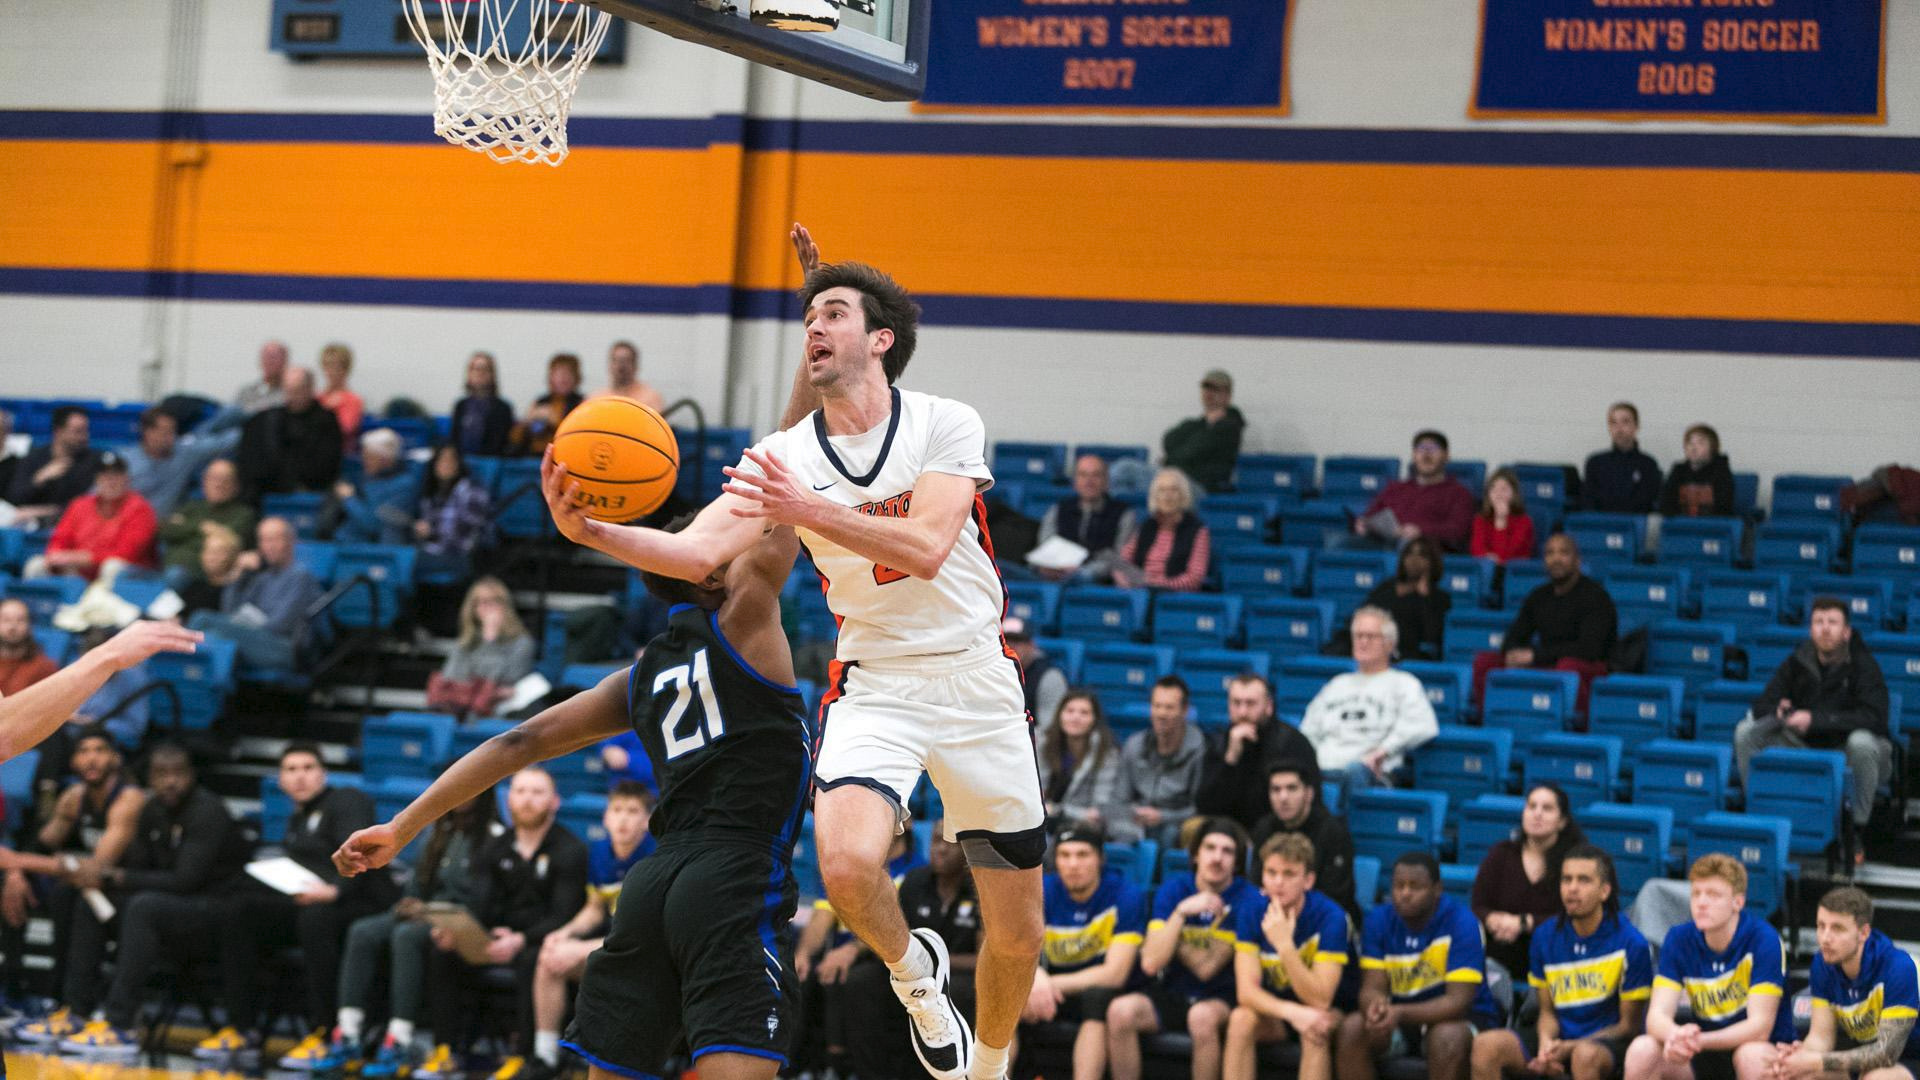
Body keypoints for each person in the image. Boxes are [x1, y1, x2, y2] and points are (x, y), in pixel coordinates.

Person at [538, 230, 1044, 1080]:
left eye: (834, 313)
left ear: (881, 340)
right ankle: (916, 979)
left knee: (1019, 935)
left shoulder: (945, 421)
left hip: (976, 681)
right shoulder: (784, 457)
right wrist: (590, 532)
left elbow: (926, 546)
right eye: (808, 316)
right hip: (877, 682)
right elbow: (697, 552)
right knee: (844, 866)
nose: (814, 326)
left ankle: (989, 1065)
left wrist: (808, 508)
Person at [334, 506, 810, 1080]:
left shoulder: (639, 677)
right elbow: (786, 490)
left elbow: (517, 741)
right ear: (707, 571)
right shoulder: (747, 617)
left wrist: (402, 826)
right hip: (733, 873)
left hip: (651, 888)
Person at [193, 744, 396, 1065]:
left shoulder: (346, 800)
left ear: (323, 773)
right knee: (240, 910)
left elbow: (362, 853)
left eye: (308, 767)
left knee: (315, 918)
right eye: (291, 769)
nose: (300, 776)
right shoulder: (297, 819)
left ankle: (327, 1033)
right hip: (314, 903)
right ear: (281, 781)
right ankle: (242, 1028)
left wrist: (335, 891)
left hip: (362, 901)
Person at [53, 742, 252, 1058]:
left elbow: (185, 881)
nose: (170, 781)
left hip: (216, 911)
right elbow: (139, 867)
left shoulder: (208, 811)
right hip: (167, 908)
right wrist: (106, 878)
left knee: (144, 906)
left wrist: (116, 876)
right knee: (93, 902)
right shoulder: (152, 810)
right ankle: (76, 1011)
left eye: (178, 773)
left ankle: (121, 1024)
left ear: (191, 775)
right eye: (161, 774)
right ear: (150, 779)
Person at [420, 768, 589, 1080]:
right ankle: (447, 1049)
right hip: (497, 938)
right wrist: (463, 932)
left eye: (537, 792)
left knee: (533, 959)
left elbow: (563, 915)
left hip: (542, 939)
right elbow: (480, 903)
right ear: (508, 799)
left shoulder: (570, 849)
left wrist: (520, 938)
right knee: (444, 952)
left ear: (554, 801)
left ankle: (524, 1056)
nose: (527, 800)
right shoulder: (495, 847)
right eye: (520, 791)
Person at [334, 791, 502, 1078]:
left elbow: (484, 902)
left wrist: (427, 912)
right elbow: (416, 887)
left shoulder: (493, 836)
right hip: (424, 911)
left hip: (458, 919)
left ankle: (399, 1039)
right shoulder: (437, 831)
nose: (461, 793)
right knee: (362, 930)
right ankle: (348, 1033)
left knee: (406, 935)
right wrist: (408, 903)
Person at [4, 726, 147, 1048]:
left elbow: (96, 870)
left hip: (133, 890)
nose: (91, 759)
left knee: (76, 898)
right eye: (83, 751)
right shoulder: (73, 797)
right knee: (24, 888)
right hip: (93, 892)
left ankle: (79, 1007)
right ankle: (18, 994)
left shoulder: (128, 799)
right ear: (72, 762)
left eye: (99, 750)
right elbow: (41, 846)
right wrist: (15, 871)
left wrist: (16, 860)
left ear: (115, 758)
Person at [1470, 846, 1651, 1080]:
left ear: (1604, 891)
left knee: (1584, 1056)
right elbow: (1547, 1012)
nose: (1572, 888)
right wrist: (1546, 1046)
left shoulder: (1631, 943)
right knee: (1486, 1046)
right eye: (1567, 879)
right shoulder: (1545, 936)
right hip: (1559, 1039)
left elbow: (1628, 1027)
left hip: (1604, 1044)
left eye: (1583, 880)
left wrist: (1572, 1047)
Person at [1106, 819, 1261, 1080]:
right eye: (1210, 848)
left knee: (1201, 1017)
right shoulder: (1174, 891)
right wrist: (1180, 913)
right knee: (1120, 1012)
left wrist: (1172, 938)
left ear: (1237, 862)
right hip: (1174, 991)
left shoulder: (1249, 899)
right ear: (1195, 855)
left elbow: (1207, 968)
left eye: (1227, 851)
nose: (1217, 858)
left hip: (1223, 997)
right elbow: (1151, 962)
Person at [525, 783, 655, 1080]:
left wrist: (580, 949)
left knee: (573, 957)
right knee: (548, 958)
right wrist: (565, 933)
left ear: (647, 820)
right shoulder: (599, 853)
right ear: (606, 817)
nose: (623, 819)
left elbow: (643, 932)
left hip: (646, 953)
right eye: (617, 810)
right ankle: (546, 1057)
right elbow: (595, 908)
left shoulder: (655, 856)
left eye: (632, 811)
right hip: (614, 947)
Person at [1621, 855, 1791, 1080]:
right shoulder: (1678, 938)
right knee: (1643, 1050)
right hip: (1702, 1053)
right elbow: (1656, 1017)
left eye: (1713, 895)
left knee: (1751, 1056)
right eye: (1696, 894)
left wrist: (1699, 1040)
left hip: (1758, 1047)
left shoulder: (1764, 940)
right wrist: (1675, 1035)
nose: (1701, 903)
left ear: (1738, 902)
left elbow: (1759, 1028)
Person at [1733, 598, 1889, 839]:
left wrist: (1815, 720)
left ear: (1846, 632)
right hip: (1804, 744)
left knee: (1862, 742)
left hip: (1846, 750)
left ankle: (1855, 829)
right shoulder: (1797, 661)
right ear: (1810, 629)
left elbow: (1875, 718)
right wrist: (1777, 710)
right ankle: (1759, 811)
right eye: (1818, 622)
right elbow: (1761, 705)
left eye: (1832, 622)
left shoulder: (1864, 665)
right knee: (1747, 732)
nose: (1825, 629)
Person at [1338, 852, 1502, 1080]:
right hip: (1401, 1018)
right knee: (1353, 1028)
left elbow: (1458, 1002)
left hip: (1461, 1018)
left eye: (1415, 887)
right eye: (1399, 886)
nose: (1405, 893)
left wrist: (1399, 1013)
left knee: (1446, 1037)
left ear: (1437, 889)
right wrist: (1375, 1008)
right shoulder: (1378, 919)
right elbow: (1372, 986)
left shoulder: (1462, 922)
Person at [846, 826, 983, 1080]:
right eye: (935, 841)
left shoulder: (980, 889)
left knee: (961, 993)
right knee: (862, 981)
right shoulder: (915, 881)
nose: (940, 849)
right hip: (913, 968)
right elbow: (893, 936)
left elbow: (984, 957)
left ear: (968, 851)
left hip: (960, 975)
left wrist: (938, 961)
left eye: (949, 843)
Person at [1224, 834, 1351, 1080]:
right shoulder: (1252, 910)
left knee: (1316, 1027)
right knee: (1240, 1019)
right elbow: (1246, 992)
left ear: (1308, 880)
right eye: (1271, 872)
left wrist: (1284, 946)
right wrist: (1293, 1013)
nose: (1278, 882)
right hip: (1281, 1011)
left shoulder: (1331, 917)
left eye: (1289, 874)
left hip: (1334, 1009)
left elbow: (1321, 999)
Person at [1024, 822, 1145, 1080]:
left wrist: (1045, 983)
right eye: (1065, 855)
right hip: (1054, 993)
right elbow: (1015, 949)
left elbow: (1114, 974)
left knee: (1096, 999)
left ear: (1100, 859)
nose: (1073, 864)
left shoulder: (1126, 895)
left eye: (1082, 855)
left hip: (1101, 992)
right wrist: (1035, 977)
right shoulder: (1040, 890)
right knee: (1006, 999)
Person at [0, 620, 201, 764]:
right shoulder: (79, 666)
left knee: (93, 745)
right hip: (69, 736)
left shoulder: (133, 676)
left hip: (110, 739)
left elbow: (134, 728)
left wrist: (94, 723)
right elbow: (6, 733)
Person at [1767, 887, 1917, 1080]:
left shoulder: (1898, 967)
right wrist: (1799, 1056)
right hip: (1858, 1058)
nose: (1825, 938)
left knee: (1877, 1077)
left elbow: (1886, 1054)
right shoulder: (1822, 964)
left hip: (1908, 1059)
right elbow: (1821, 1038)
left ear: (1863, 933)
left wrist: (1815, 1061)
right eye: (1821, 926)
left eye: (1837, 928)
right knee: (1793, 1072)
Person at [1473, 533, 1617, 715]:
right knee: (1485, 661)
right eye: (1550, 553)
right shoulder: (1538, 596)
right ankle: (1489, 718)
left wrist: (1535, 655)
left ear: (1577, 561)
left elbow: (1589, 649)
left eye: (1564, 553)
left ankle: (1572, 724)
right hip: (1547, 662)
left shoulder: (1596, 597)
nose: (1556, 559)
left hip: (1585, 667)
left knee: (1568, 667)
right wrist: (1513, 654)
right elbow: (1514, 636)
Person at [1299, 607, 1439, 792]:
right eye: (1358, 636)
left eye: (1371, 636)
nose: (1363, 642)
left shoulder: (1404, 684)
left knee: (1355, 771)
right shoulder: (1336, 684)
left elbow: (1425, 726)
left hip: (1369, 774)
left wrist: (1384, 750)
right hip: (1323, 771)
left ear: (1390, 644)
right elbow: (1308, 731)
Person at [1471, 784, 1584, 980]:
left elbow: (1577, 917)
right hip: (1500, 950)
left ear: (1562, 821)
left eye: (1547, 808)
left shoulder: (1575, 861)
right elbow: (1478, 906)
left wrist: (1526, 923)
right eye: (1532, 806)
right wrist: (1492, 919)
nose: (1537, 814)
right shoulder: (1501, 854)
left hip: (1556, 958)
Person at [187, 516, 322, 671]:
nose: (268, 546)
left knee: (203, 620)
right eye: (263, 540)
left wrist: (243, 625)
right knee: (211, 634)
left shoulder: (301, 577)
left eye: (273, 540)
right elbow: (230, 611)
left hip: (284, 648)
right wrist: (238, 573)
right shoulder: (264, 578)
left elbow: (279, 626)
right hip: (257, 639)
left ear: (290, 541)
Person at [1195, 673, 1318, 833]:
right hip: (1229, 834)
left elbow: (1308, 804)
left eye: (1250, 703)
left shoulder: (1292, 744)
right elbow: (1205, 806)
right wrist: (1230, 760)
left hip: (1279, 831)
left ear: (1269, 706)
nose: (1242, 712)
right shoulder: (1219, 743)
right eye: (1236, 703)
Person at [24, 451, 159, 582]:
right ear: (96, 480)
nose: (111, 481)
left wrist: (87, 558)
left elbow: (127, 554)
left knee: (112, 566)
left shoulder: (140, 508)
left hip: (130, 576)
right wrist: (60, 557)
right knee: (36, 565)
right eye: (105, 476)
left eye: (116, 475)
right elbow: (59, 541)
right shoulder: (80, 505)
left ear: (126, 479)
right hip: (79, 570)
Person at [1249, 761, 1356, 919]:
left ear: (1309, 793)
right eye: (1276, 789)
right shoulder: (1263, 828)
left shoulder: (1333, 832)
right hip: (1270, 914)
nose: (1283, 797)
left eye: (1292, 788)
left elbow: (1337, 894)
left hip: (1321, 919)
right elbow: (1255, 884)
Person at [1350, 431, 1477, 553]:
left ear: (1447, 456)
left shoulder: (1459, 493)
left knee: (1410, 545)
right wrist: (1363, 523)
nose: (1426, 455)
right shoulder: (1395, 488)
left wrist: (1420, 531)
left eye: (1433, 449)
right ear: (1413, 455)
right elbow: (1371, 515)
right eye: (1421, 449)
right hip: (1382, 542)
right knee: (1342, 542)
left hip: (1426, 549)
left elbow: (1458, 530)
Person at [429, 576, 537, 719]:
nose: (486, 608)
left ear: (505, 606)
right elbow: (452, 677)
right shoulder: (464, 643)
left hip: (503, 711)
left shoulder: (522, 642)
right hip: (461, 707)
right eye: (479, 602)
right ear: (472, 608)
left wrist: (490, 640)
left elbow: (509, 679)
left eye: (493, 602)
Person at [1119, 675, 1206, 849]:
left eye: (1169, 707)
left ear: (1185, 710)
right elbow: (1120, 797)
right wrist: (1133, 812)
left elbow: (1200, 808)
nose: (1161, 714)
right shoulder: (1134, 745)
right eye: (1157, 706)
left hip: (1176, 822)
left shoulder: (1201, 750)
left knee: (1169, 833)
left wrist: (1163, 816)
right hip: (1137, 819)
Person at [237, 366, 345, 499]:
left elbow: (326, 464)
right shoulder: (267, 419)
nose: (292, 396)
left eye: (297, 390)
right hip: (268, 485)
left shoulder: (326, 421)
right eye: (288, 390)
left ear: (310, 389)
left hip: (310, 486)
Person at [1033, 454, 1138, 583]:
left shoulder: (1124, 514)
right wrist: (1049, 565)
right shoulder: (1058, 509)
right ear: (1075, 482)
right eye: (1083, 475)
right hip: (1056, 579)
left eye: (1096, 475)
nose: (1089, 481)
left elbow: (1121, 559)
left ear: (1106, 481)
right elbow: (1045, 548)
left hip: (1101, 584)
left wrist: (1082, 573)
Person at [123, 406, 240, 520]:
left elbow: (224, 443)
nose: (169, 437)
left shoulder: (184, 453)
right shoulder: (125, 461)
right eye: (163, 431)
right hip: (130, 525)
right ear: (147, 432)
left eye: (172, 431)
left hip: (169, 527)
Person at [159, 458, 258, 589]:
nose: (218, 484)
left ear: (236, 486)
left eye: (225, 480)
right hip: (170, 569)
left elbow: (227, 541)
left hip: (205, 577)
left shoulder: (244, 514)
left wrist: (185, 529)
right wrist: (201, 527)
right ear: (204, 482)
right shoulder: (191, 507)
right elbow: (165, 531)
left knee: (173, 577)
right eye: (214, 478)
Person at [1038, 691, 1127, 835]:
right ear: (1059, 714)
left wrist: (1057, 811)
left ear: (1094, 719)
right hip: (1043, 823)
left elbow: (1098, 811)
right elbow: (1036, 796)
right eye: (1070, 711)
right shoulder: (1043, 743)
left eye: (1084, 713)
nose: (1075, 717)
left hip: (1083, 828)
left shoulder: (1107, 754)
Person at [1114, 466, 1211, 592]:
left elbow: (1194, 579)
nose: (1167, 496)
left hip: (1174, 598)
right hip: (1140, 593)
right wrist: (1125, 582)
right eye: (1162, 490)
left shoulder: (1198, 531)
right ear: (1155, 497)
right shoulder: (1147, 526)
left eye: (1174, 490)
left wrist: (1155, 584)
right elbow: (1122, 562)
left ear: (1183, 496)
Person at [1357, 537, 1451, 661]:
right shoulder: (1387, 587)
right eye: (1409, 554)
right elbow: (1364, 614)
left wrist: (1424, 597)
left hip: (1412, 657)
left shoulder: (1439, 598)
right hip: (1377, 648)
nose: (1414, 560)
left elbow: (1431, 637)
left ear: (1432, 562)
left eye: (1421, 555)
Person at [8, 405, 101, 527]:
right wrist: (39, 478)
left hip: (74, 525)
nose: (84, 437)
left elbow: (89, 503)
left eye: (86, 431)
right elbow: (14, 498)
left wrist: (44, 511)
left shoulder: (94, 461)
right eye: (78, 431)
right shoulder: (34, 457)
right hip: (29, 526)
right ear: (58, 431)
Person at [1161, 369, 1245, 494]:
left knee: (1130, 470)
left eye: (1215, 389)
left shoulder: (1230, 426)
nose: (1209, 393)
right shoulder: (1194, 424)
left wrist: (1170, 459)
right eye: (1206, 388)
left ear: (1227, 395)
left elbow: (1191, 453)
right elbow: (1168, 441)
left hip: (1202, 487)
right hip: (1177, 481)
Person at [332, 428, 422, 545]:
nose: (364, 461)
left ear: (386, 459)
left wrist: (349, 499)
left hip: (378, 549)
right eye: (363, 456)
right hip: (346, 541)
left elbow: (374, 525)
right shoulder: (362, 478)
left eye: (369, 457)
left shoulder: (404, 486)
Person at [1583, 403, 1661, 515]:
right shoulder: (1595, 463)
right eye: (1613, 422)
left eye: (1625, 422)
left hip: (1635, 523)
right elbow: (1588, 503)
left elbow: (1650, 504)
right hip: (1601, 523)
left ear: (1636, 426)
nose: (1619, 429)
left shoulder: (1648, 464)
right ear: (1609, 427)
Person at [512, 353, 586, 457]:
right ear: (550, 377)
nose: (563, 379)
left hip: (565, 455)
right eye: (559, 373)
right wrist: (528, 421)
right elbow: (515, 437)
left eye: (568, 373)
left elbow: (581, 436)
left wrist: (555, 421)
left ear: (577, 378)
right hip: (534, 457)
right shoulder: (541, 401)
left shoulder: (581, 404)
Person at [1007, 616, 1069, 736]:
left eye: (1018, 641)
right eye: (1005, 641)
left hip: (1032, 743)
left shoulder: (1049, 677)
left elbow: (1049, 731)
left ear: (1031, 645)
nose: (1010, 646)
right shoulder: (990, 673)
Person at [1659, 425, 1735, 519]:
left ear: (1712, 447)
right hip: (1681, 524)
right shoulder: (1678, 470)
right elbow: (1665, 503)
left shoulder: (1721, 472)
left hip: (1713, 525)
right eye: (1690, 443)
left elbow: (1723, 508)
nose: (1693, 448)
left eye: (1700, 443)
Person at [452, 351, 516, 457]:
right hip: (461, 460)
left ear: (492, 374)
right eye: (475, 369)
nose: (479, 373)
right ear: (468, 374)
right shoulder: (460, 406)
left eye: (484, 369)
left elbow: (498, 444)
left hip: (490, 461)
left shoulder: (503, 408)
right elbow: (454, 440)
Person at [178, 523, 245, 618]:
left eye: (218, 552)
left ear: (232, 555)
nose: (211, 557)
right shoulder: (194, 586)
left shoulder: (239, 590)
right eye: (208, 551)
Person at [1470, 469, 1535, 565]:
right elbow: (1477, 551)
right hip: (1486, 569)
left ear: (1514, 494)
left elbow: (1506, 558)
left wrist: (1501, 520)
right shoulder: (1480, 520)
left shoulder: (1524, 522)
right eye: (1493, 489)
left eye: (1504, 489)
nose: (1498, 494)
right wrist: (1487, 559)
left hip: (1513, 570)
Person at [0, 598, 60, 696]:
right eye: (6, 620)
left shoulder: (44, 668)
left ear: (30, 625)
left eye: (20, 620)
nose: (12, 626)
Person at [591, 340, 667, 411]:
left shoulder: (650, 398)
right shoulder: (596, 399)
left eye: (626, 361)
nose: (621, 366)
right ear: (609, 365)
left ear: (635, 365)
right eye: (616, 360)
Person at [318, 343, 366, 455]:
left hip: (340, 453)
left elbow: (346, 429)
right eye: (327, 365)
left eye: (336, 366)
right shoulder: (317, 398)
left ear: (346, 369)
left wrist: (327, 410)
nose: (331, 371)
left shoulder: (353, 400)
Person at [234, 340, 291, 419]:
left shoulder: (292, 392)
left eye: (274, 357)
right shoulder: (247, 391)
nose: (270, 361)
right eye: (266, 357)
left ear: (285, 361)